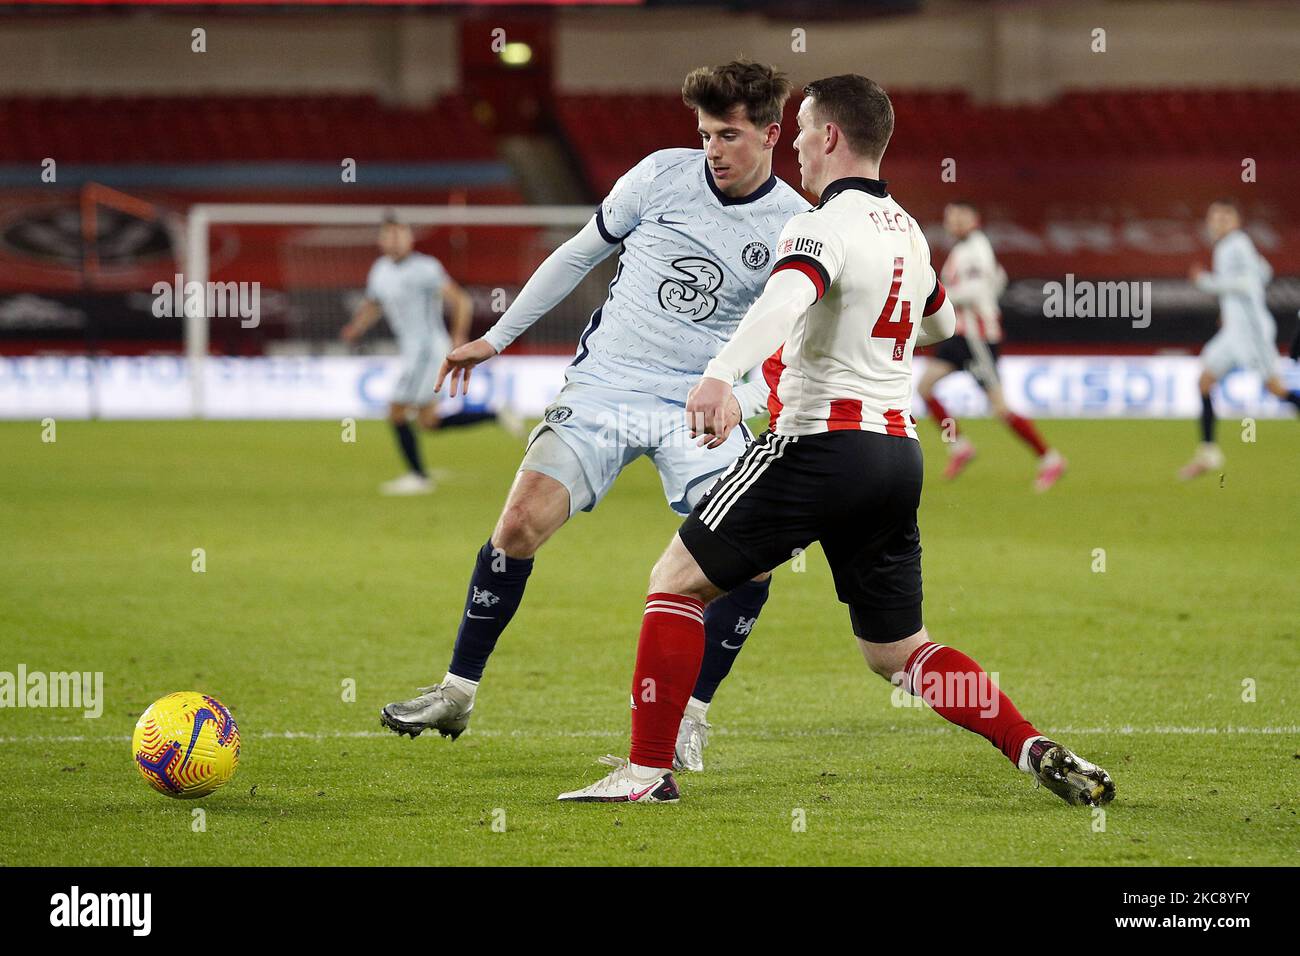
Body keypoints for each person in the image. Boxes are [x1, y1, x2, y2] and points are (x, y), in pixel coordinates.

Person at [559, 75, 1115, 808]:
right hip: (896, 457)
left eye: (800, 135)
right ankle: (1028, 744)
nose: (793, 148)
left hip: (818, 445)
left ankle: (644, 772)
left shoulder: (819, 225)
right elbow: (942, 326)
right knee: (898, 651)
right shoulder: (909, 232)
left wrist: (721, 376)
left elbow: (787, 297)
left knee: (675, 582)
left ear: (829, 137)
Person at [379, 62, 810, 772]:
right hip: (607, 386)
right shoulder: (658, 176)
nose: (713, 150)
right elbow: (579, 254)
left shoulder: (796, 222)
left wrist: (744, 398)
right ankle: (457, 691)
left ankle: (691, 718)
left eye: (728, 136)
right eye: (705, 134)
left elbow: (787, 339)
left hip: (699, 402)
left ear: (769, 134)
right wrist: (496, 338)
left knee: (751, 558)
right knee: (517, 526)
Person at [341, 217, 513, 495]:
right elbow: (375, 304)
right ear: (381, 240)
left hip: (427, 350)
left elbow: (461, 300)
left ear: (410, 238)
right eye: (389, 235)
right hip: (411, 351)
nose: (395, 240)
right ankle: (493, 415)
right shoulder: (380, 270)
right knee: (428, 422)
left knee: (396, 411)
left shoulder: (425, 268)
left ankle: (418, 477)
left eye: (400, 234)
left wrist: (458, 337)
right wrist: (356, 327)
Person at [918, 201, 1065, 491]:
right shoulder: (966, 249)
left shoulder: (975, 249)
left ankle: (1050, 458)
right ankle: (960, 446)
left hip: (977, 340)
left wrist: (935, 296)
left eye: (959, 216)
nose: (953, 222)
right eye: (950, 217)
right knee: (925, 387)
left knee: (1000, 408)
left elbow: (975, 290)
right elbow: (999, 279)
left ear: (974, 218)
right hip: (961, 335)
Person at [1180, 199, 1300, 479]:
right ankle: (1209, 453)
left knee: (1276, 389)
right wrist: (1231, 312)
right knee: (1205, 381)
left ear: (1236, 222)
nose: (1218, 223)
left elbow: (1247, 284)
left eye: (1225, 218)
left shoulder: (1236, 244)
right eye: (1215, 218)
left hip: (1251, 333)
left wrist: (1205, 282)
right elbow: (1264, 273)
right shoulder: (1231, 247)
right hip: (1235, 330)